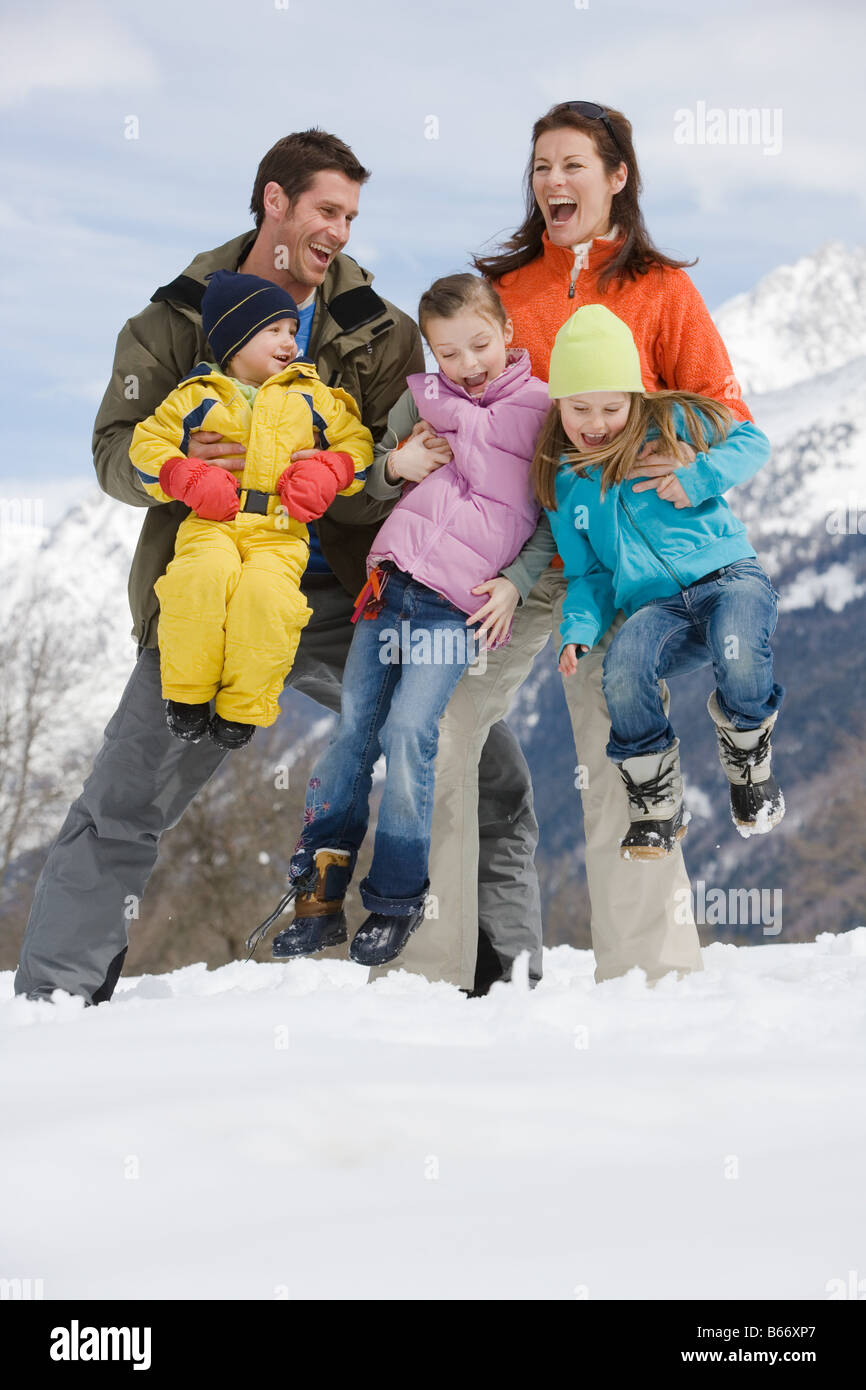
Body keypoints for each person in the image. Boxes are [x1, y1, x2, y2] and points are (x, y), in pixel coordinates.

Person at [14, 128, 539, 1005]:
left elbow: (410, 465)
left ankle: (506, 975)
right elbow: (113, 453)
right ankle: (58, 996)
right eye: (326, 210)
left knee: (486, 770)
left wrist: (351, 472)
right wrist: (181, 460)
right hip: (210, 592)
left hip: (354, 598)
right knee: (125, 797)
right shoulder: (174, 319)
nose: (340, 230)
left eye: (351, 215)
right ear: (274, 202)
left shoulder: (380, 331)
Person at [376, 101, 761, 989]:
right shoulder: (505, 294)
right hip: (505, 567)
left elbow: (725, 413)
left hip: (613, 565)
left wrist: (670, 461)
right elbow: (447, 397)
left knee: (620, 748)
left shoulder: (661, 289)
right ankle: (424, 972)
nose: (553, 181)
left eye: (573, 165)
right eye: (540, 165)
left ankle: (650, 972)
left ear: (617, 175)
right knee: (436, 725)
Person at [269, 274, 548, 968]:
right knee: (353, 735)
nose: (467, 365)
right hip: (389, 589)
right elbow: (362, 482)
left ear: (507, 333)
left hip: (457, 607)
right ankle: (319, 891)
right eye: (448, 353)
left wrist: (515, 585)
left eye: (479, 345)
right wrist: (397, 464)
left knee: (410, 731)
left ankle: (396, 898)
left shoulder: (545, 414)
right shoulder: (420, 402)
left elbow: (554, 522)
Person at [539, 304, 784, 856]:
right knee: (623, 670)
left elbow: (753, 444)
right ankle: (655, 804)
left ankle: (749, 764)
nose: (596, 423)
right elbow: (589, 573)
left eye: (611, 406)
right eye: (580, 407)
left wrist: (697, 477)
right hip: (657, 609)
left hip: (727, 577)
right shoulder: (567, 483)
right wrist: (579, 626)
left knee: (741, 649)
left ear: (635, 397)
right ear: (558, 403)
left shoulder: (670, 421)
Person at [131, 269, 372, 750]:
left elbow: (358, 443)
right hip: (212, 522)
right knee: (199, 581)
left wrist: (330, 470)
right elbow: (147, 446)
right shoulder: (197, 396)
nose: (290, 340)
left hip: (280, 528)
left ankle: (243, 706)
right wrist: (186, 474)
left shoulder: (311, 395)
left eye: (291, 329)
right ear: (235, 341)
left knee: (267, 599)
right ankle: (188, 695)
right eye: (274, 331)